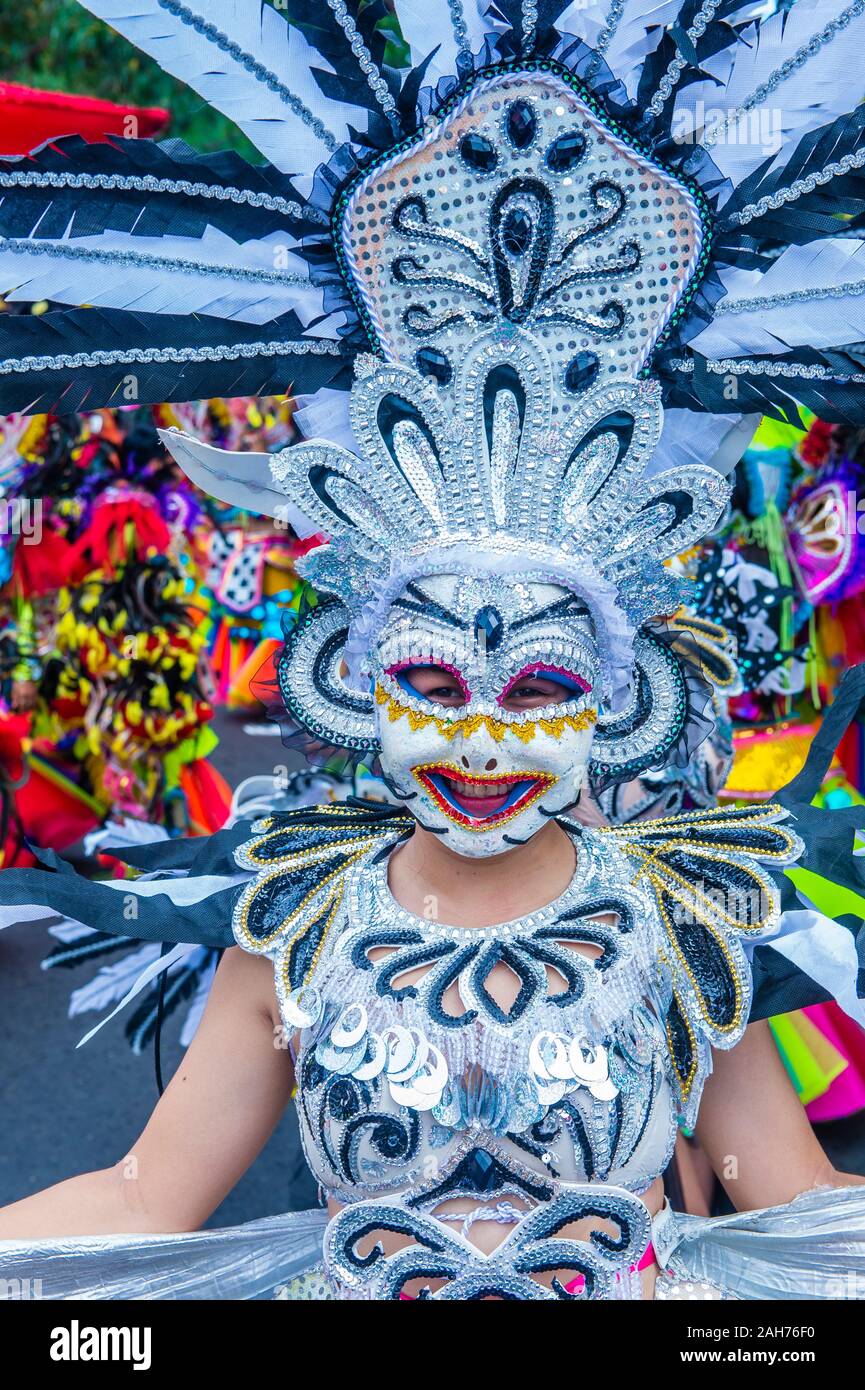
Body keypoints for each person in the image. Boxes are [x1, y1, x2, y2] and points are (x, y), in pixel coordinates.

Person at [2, 0, 865, 1302]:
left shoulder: (679, 923)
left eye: (538, 689)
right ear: (356, 677)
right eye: (430, 684)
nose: (478, 739)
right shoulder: (294, 923)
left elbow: (790, 1207)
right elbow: (142, 1196)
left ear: (610, 699)